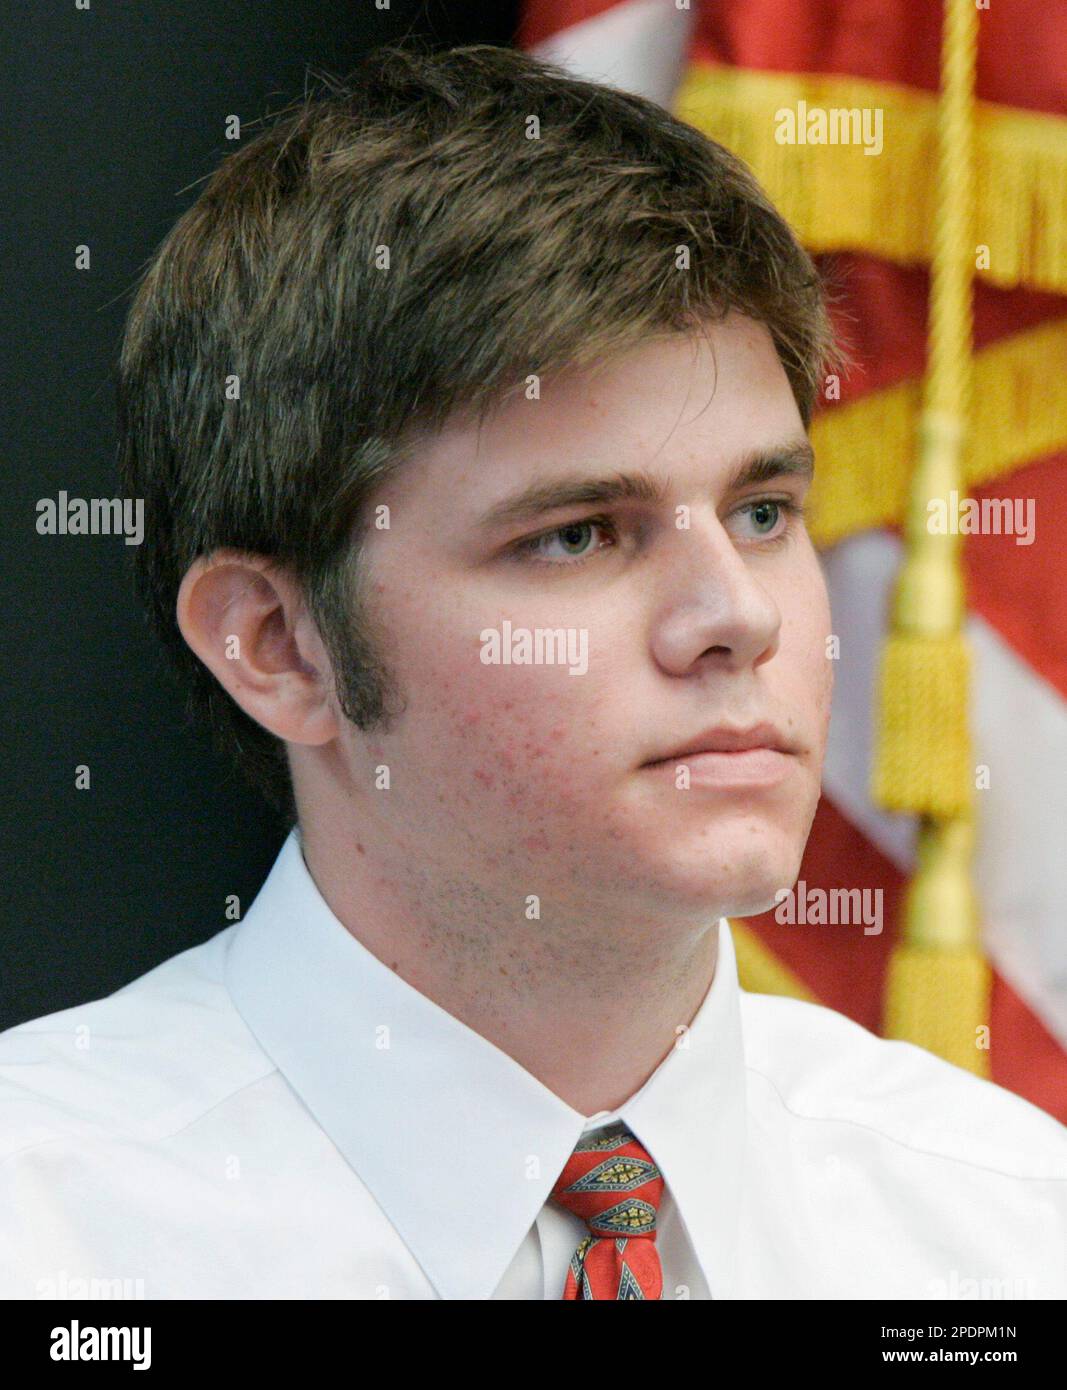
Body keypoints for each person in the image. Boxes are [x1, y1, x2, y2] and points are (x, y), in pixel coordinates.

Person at [2, 42, 1064, 1301]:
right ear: (280, 646)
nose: (738, 615)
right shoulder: (44, 1233)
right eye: (577, 535)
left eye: (762, 512)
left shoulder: (1007, 1225)